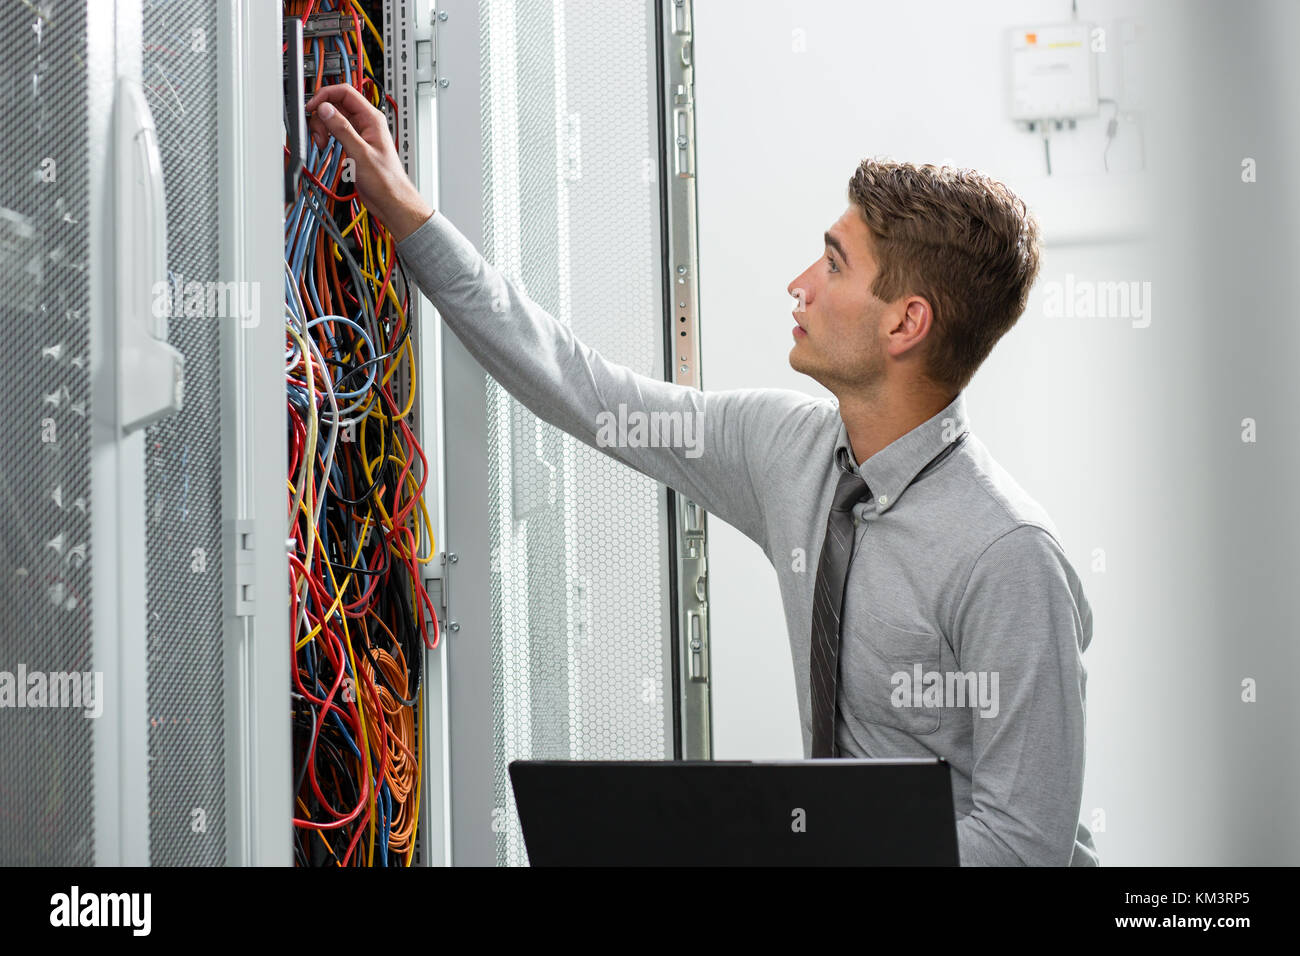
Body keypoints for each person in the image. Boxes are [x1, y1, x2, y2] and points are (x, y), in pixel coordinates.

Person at [304, 83, 1099, 867]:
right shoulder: (787, 449)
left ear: (905, 323)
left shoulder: (1008, 556)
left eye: (833, 262)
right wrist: (411, 220)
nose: (801, 284)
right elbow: (588, 390)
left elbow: (1025, 847)